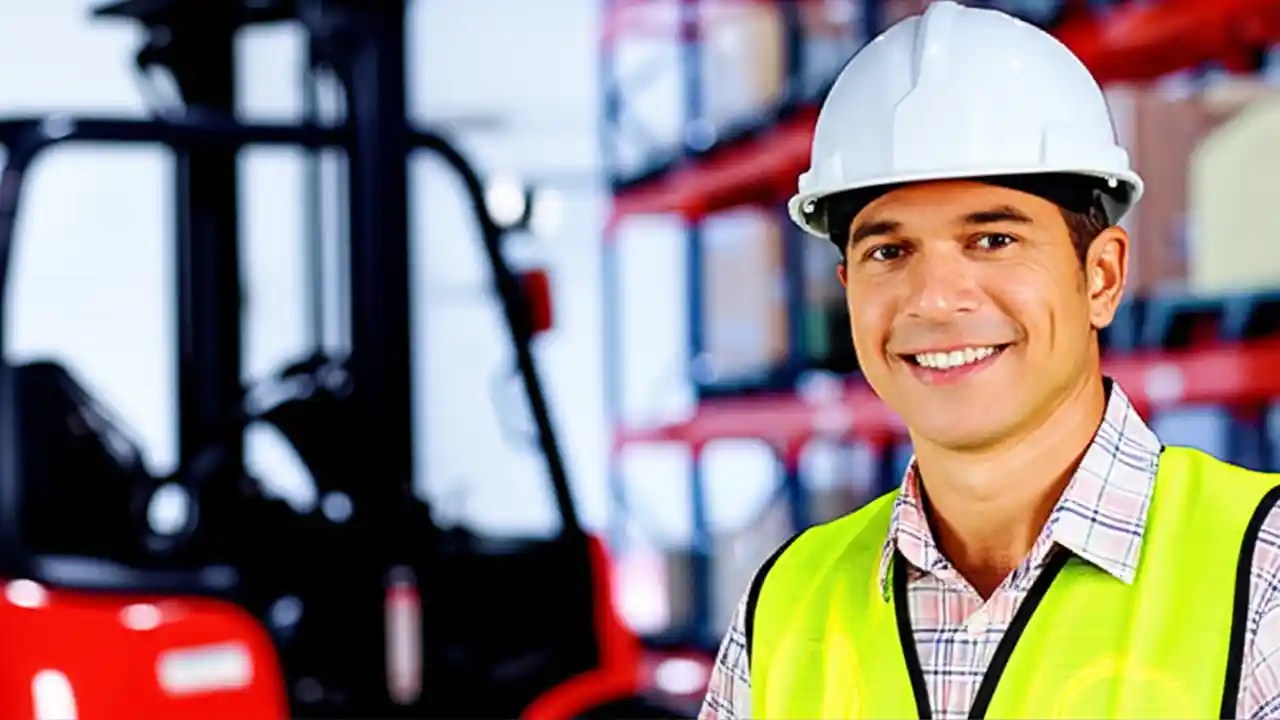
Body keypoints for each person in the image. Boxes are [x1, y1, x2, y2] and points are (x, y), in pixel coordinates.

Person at [696, 2, 1280, 718]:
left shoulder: (1263, 578)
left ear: (1101, 277)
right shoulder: (784, 606)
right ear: (849, 291)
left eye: (993, 240)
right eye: (889, 251)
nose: (935, 300)